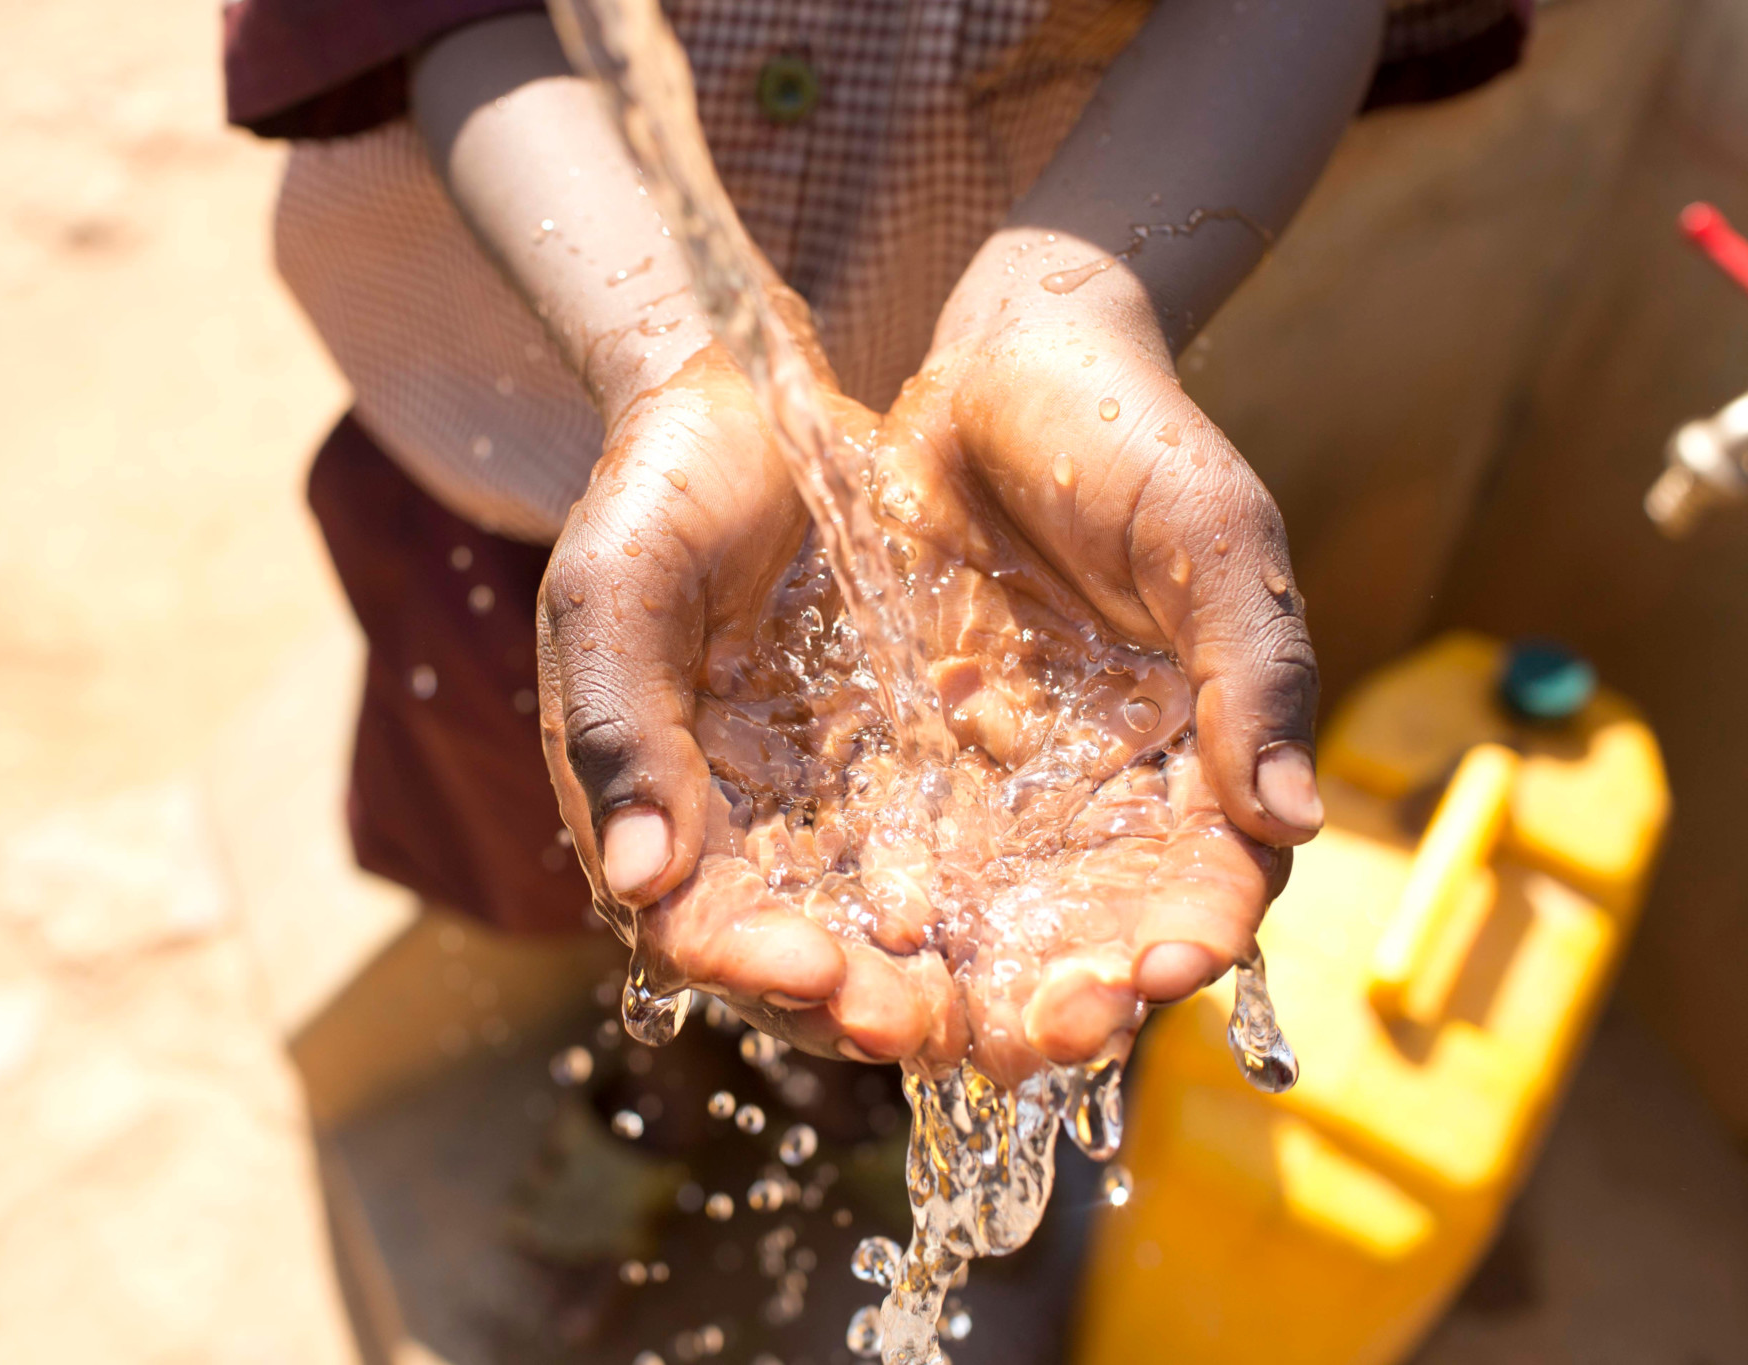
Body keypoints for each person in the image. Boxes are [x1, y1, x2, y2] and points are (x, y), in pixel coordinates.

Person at [222, 0, 1535, 1357]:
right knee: (602, 844)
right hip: (510, 426)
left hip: (1015, 476)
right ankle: (650, 1084)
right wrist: (664, 357)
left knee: (856, 958)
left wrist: (1074, 319)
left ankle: (868, 1104)